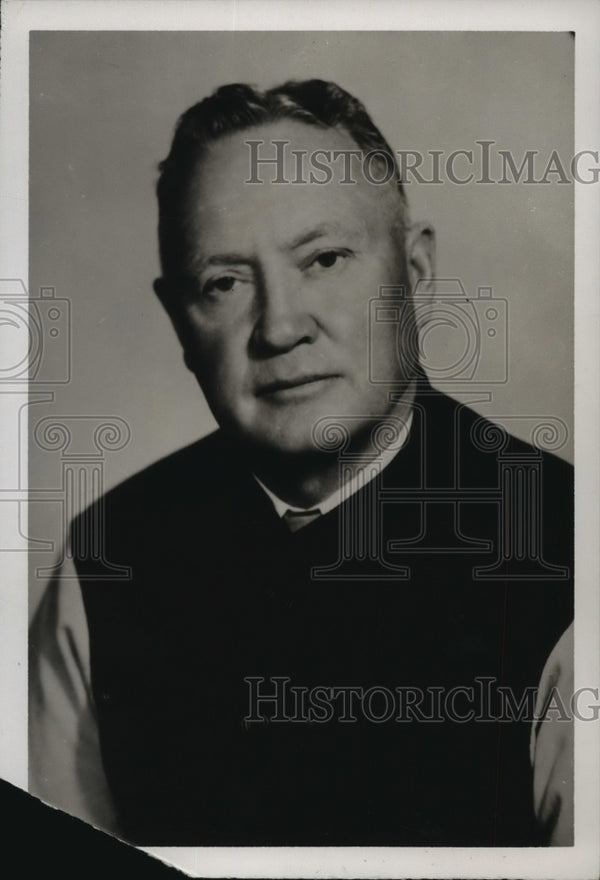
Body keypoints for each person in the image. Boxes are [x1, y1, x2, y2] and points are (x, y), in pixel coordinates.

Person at [29, 80, 574, 847]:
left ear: (414, 272)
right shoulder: (105, 562)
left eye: (323, 259)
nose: (280, 326)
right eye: (223, 283)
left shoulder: (570, 556)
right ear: (179, 322)